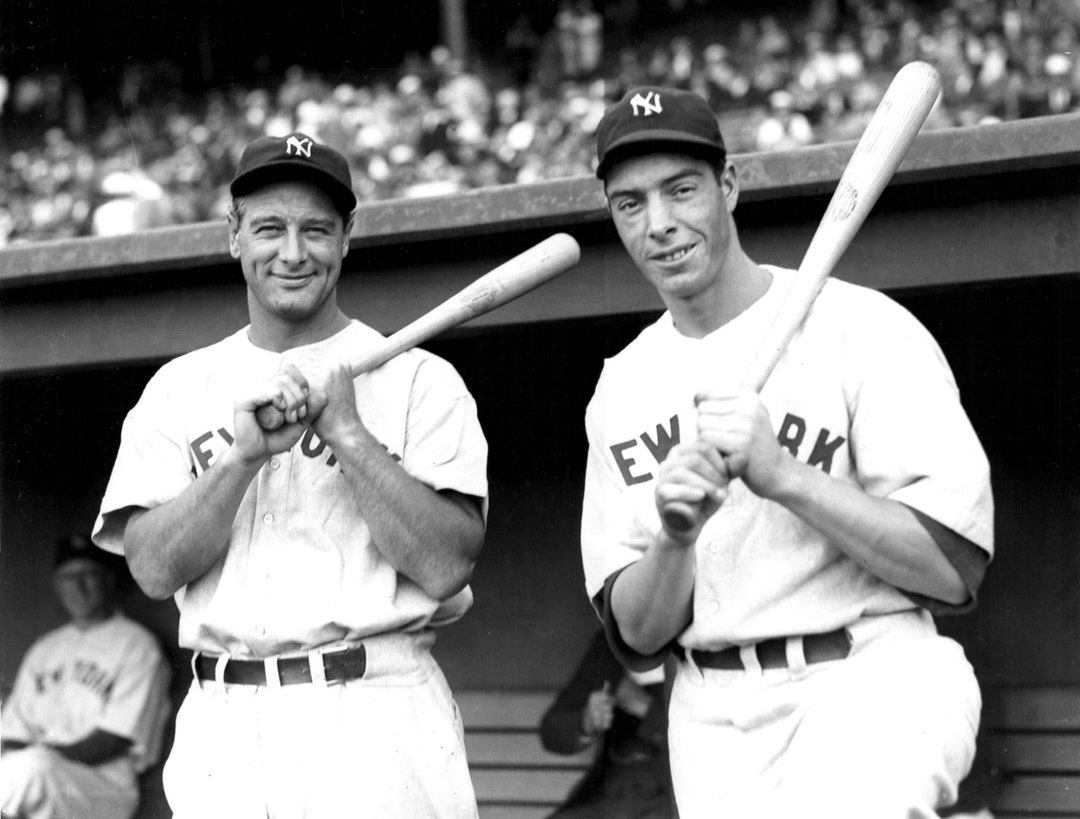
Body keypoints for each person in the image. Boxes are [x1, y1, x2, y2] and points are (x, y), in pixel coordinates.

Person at [580, 86, 994, 818]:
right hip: (711, 713)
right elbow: (638, 639)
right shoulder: (623, 385)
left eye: (681, 190)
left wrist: (783, 476)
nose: (661, 224)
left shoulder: (861, 326)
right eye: (631, 203)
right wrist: (676, 539)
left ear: (728, 185)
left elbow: (953, 569)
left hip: (869, 678)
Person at [91, 132, 489, 817]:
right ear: (234, 235)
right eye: (270, 228)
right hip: (224, 723)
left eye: (317, 230)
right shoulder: (180, 387)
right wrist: (241, 459)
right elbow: (152, 568)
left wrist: (348, 434)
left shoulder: (422, 378)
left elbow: (447, 561)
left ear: (346, 238)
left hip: (373, 710)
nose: (294, 252)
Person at [1, 533, 171, 819]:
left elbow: (112, 740)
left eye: (88, 575)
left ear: (108, 579)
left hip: (102, 785)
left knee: (35, 766)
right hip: (33, 776)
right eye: (68, 577)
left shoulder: (137, 644)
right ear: (57, 584)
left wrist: (41, 754)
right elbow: (12, 732)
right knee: (31, 767)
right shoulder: (45, 648)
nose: (77, 587)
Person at [540, 628, 675, 819]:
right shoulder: (610, 643)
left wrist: (645, 707)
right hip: (610, 796)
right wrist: (586, 720)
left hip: (672, 795)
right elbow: (551, 729)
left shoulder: (698, 643)